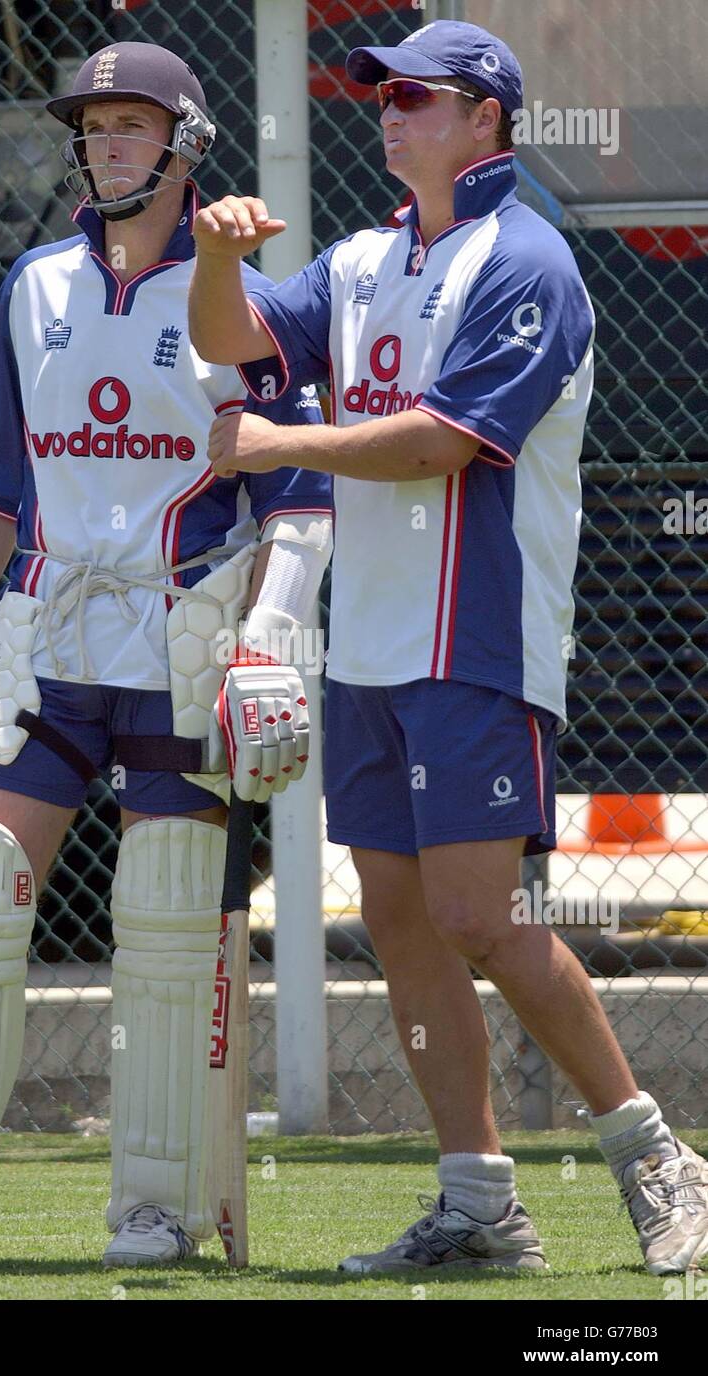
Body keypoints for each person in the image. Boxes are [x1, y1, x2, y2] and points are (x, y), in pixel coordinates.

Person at [188, 19, 708, 1276]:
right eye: (378, 93)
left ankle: (655, 1156)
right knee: (405, 925)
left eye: (416, 96)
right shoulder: (364, 256)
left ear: (487, 119)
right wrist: (211, 257)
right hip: (364, 644)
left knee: (477, 914)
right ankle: (479, 1202)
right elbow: (228, 341)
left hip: (476, 636)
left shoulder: (530, 260)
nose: (387, 111)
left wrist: (274, 446)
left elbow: (438, 440)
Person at [0, 41, 332, 1272]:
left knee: (173, 924)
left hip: (184, 638)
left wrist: (272, 634)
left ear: (184, 147)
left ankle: (157, 1211)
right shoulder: (34, 284)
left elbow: (296, 497)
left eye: (134, 126)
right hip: (44, 635)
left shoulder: (241, 299)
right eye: (95, 127)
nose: (109, 145)